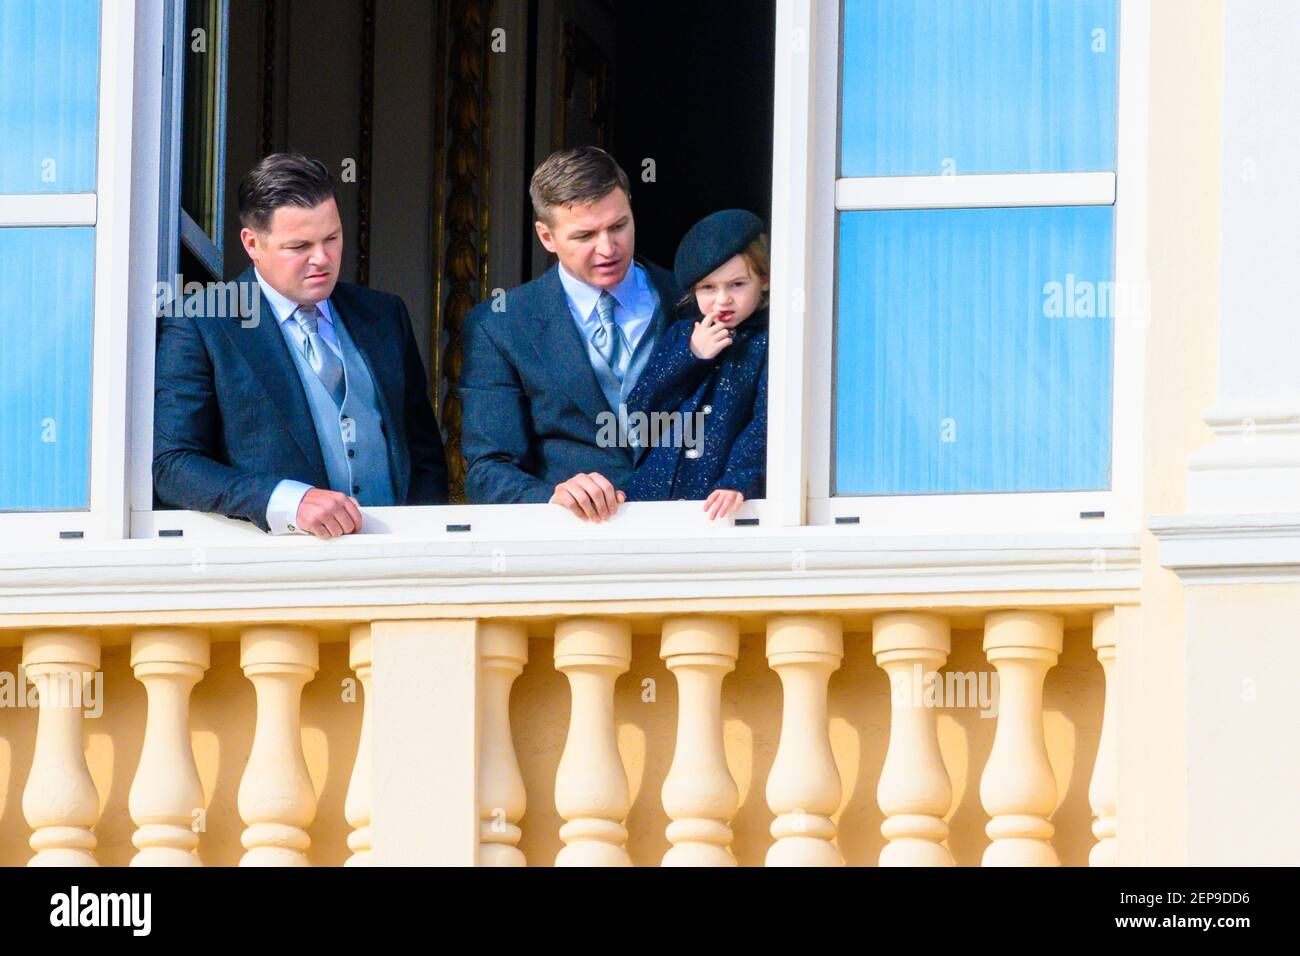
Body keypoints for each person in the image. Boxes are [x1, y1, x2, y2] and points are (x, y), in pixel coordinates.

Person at [153, 152, 449, 538]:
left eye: (332, 238)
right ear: (252, 243)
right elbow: (173, 465)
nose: (322, 259)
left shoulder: (385, 314)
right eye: (299, 246)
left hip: (395, 563)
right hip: (277, 570)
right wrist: (287, 501)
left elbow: (424, 454)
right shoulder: (200, 321)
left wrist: (420, 540)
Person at [459, 146, 682, 521]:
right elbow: (488, 470)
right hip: (570, 549)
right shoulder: (500, 326)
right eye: (584, 236)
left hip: (694, 536)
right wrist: (552, 499)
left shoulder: (692, 301)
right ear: (546, 237)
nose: (608, 248)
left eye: (618, 226)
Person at [622, 209, 769, 520]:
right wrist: (690, 356)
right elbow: (639, 412)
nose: (722, 300)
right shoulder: (681, 336)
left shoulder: (769, 344)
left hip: (718, 505)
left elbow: (766, 423)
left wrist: (739, 479)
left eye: (737, 285)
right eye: (708, 288)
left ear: (764, 280)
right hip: (649, 498)